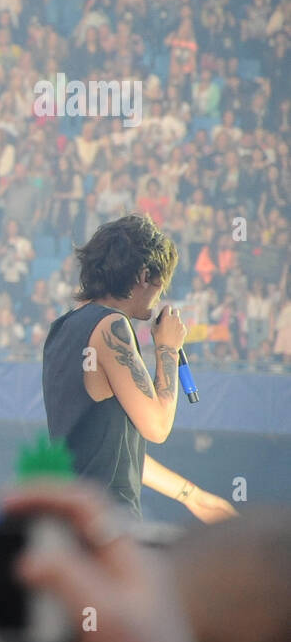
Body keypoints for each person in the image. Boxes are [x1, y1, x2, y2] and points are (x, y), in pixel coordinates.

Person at [42, 213, 237, 521]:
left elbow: (113, 453)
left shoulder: (62, 329)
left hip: (75, 516)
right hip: (107, 522)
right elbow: (158, 427)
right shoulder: (111, 325)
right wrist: (167, 348)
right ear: (145, 276)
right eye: (161, 282)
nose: (160, 294)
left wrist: (192, 496)